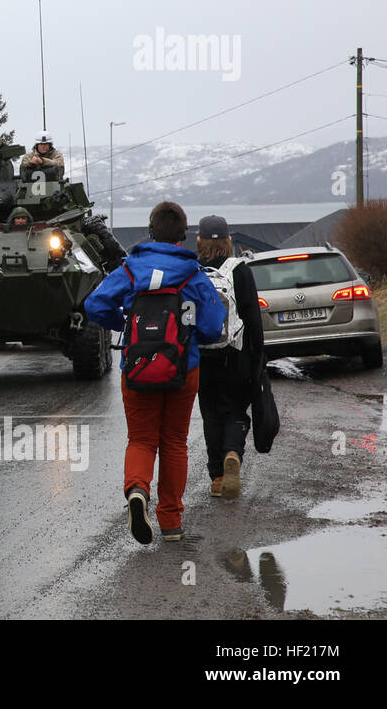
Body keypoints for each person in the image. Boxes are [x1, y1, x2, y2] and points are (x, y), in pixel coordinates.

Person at [83, 201, 225, 544]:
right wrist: (190, 336)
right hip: (183, 368)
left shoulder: (130, 270)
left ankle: (137, 491)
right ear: (183, 236)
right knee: (174, 442)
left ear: (150, 232)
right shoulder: (193, 275)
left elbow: (94, 304)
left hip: (137, 369)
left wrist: (126, 325)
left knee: (142, 439)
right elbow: (213, 323)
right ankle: (171, 522)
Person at [194, 215, 265, 500]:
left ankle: (216, 478)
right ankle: (233, 452)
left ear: (199, 241)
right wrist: (258, 358)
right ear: (229, 242)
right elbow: (253, 320)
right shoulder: (241, 271)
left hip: (202, 357)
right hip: (236, 355)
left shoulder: (193, 272)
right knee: (235, 410)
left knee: (210, 414)